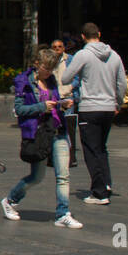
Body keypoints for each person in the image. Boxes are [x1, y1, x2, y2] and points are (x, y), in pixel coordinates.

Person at [4, 48, 82, 228]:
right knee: (36, 177)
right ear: (37, 64)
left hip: (57, 129)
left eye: (52, 68)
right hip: (39, 133)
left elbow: (53, 102)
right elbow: (20, 110)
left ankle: (63, 213)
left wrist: (61, 105)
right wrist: (41, 106)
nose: (49, 72)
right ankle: (10, 200)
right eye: (46, 68)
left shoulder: (52, 81)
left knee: (63, 175)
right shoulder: (23, 81)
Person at [57, 22, 125, 206]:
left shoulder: (83, 55)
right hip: (108, 108)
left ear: (83, 37)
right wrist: (118, 102)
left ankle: (99, 192)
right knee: (101, 148)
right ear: (100, 34)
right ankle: (106, 183)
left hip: (90, 108)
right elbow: (121, 84)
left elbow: (65, 78)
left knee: (91, 150)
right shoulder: (114, 56)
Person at [51, 38, 81, 166]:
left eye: (59, 47)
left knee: (68, 129)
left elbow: (77, 77)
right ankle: (56, 156)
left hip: (67, 96)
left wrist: (70, 88)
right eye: (54, 47)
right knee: (55, 127)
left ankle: (70, 157)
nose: (57, 49)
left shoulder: (70, 59)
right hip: (55, 98)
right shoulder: (49, 61)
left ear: (64, 48)